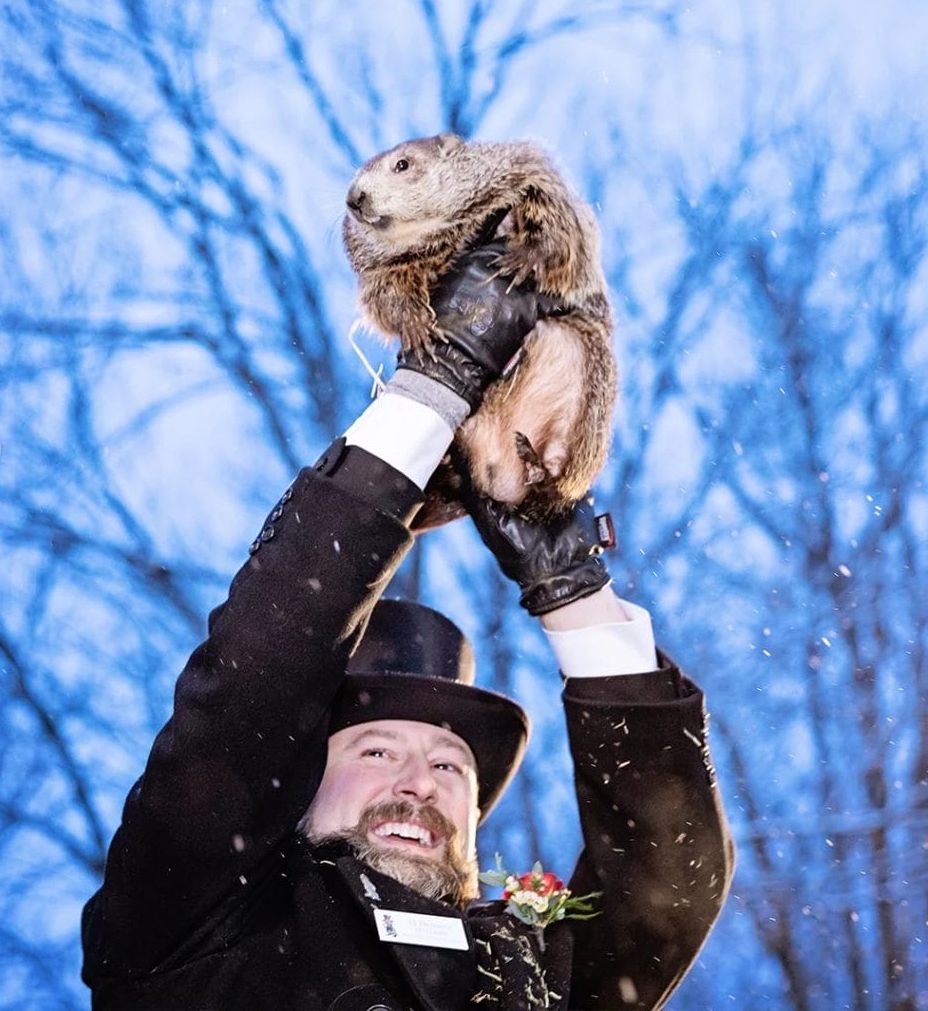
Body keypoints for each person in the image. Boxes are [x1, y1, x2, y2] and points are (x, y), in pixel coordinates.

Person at [81, 245, 734, 1010]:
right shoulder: (193, 932)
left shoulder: (536, 973)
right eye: (377, 747)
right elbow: (251, 690)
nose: (420, 784)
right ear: (298, 783)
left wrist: (573, 588)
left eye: (452, 767)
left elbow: (671, 878)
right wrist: (432, 393)